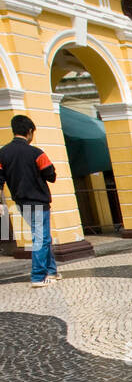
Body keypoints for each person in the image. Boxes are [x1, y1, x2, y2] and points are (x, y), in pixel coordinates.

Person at [0, 114, 58, 287]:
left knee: (42, 236)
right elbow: (51, 175)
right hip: (39, 201)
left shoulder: (2, 153)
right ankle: (38, 276)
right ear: (30, 131)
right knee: (41, 238)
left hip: (21, 202)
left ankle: (52, 271)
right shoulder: (36, 153)